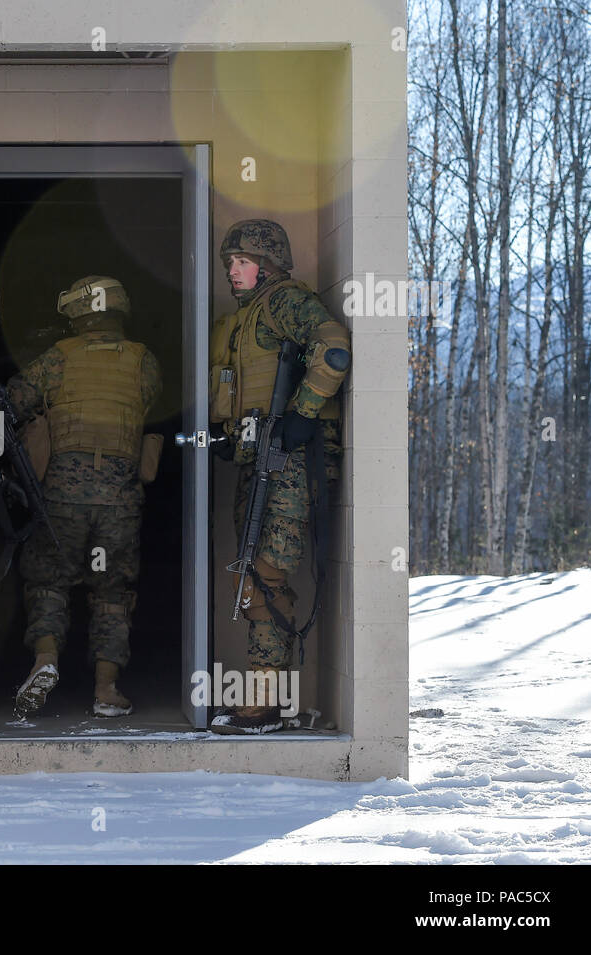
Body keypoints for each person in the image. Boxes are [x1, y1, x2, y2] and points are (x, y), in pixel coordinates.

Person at [207, 220, 350, 734]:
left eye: (240, 261)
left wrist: (303, 414)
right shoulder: (249, 318)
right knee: (253, 574)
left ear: (266, 264)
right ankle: (263, 699)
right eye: (229, 262)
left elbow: (333, 348)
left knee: (265, 575)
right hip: (262, 461)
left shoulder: (283, 301)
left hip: (288, 465)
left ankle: (264, 705)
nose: (232, 270)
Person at [7, 277, 163, 718]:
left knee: (49, 582)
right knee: (112, 591)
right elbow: (147, 405)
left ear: (76, 315)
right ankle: (107, 690)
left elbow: (13, 402)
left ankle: (45, 660)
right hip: (119, 496)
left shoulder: (58, 358)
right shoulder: (142, 359)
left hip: (62, 494)